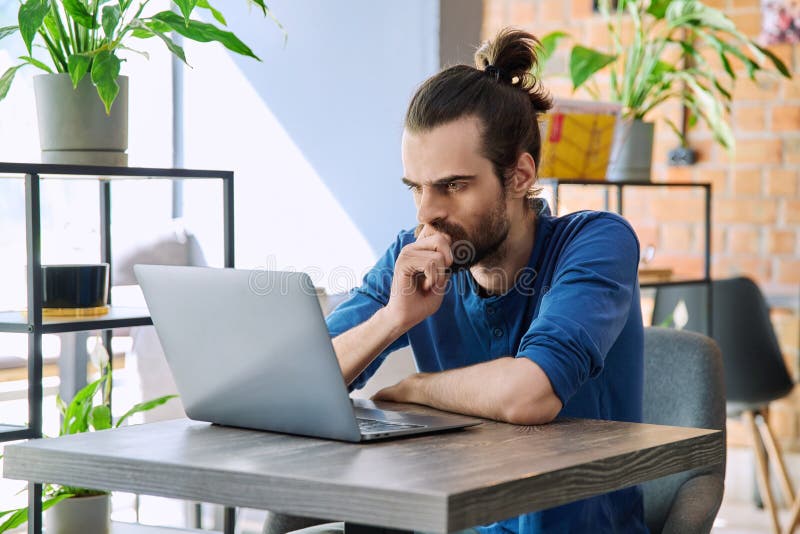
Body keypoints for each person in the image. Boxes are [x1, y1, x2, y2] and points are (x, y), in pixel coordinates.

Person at [269, 27, 646, 534]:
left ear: (520, 175)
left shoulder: (597, 242)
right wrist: (393, 318)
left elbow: (529, 394)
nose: (427, 212)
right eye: (416, 188)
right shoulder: (415, 257)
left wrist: (420, 387)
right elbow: (301, 381)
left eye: (453, 185)